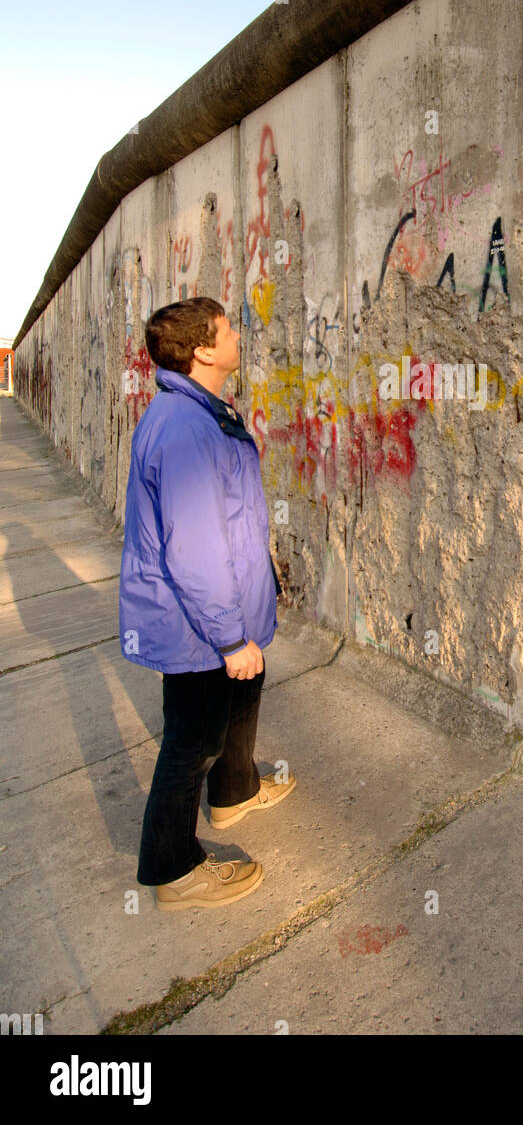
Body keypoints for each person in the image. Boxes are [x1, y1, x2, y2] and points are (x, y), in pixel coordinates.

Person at [118, 295, 295, 910]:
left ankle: (235, 793)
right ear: (202, 350)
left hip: (226, 606)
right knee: (193, 736)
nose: (238, 336)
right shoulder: (187, 428)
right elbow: (194, 549)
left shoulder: (200, 411)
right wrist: (227, 636)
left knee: (244, 690)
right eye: (227, 330)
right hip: (196, 620)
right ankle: (171, 868)